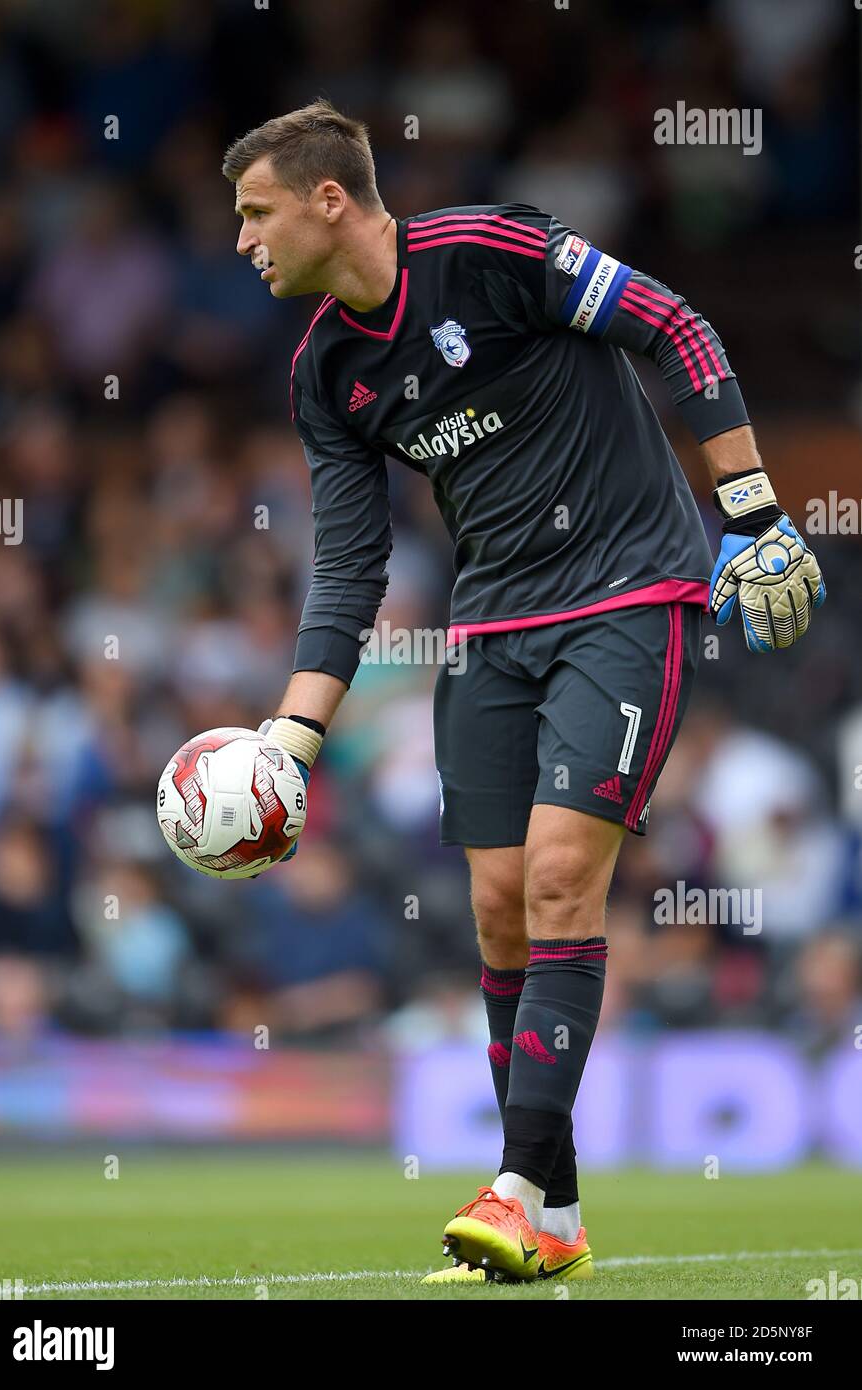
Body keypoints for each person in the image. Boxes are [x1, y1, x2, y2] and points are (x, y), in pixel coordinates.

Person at [221, 99, 824, 1284]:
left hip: (626, 596)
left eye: (255, 212)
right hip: (489, 626)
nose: (243, 240)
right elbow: (349, 568)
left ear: (328, 198)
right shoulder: (326, 372)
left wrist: (749, 508)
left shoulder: (487, 255)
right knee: (499, 906)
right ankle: (554, 1216)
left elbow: (673, 322)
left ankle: (511, 1185)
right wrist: (291, 734)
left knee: (559, 876)